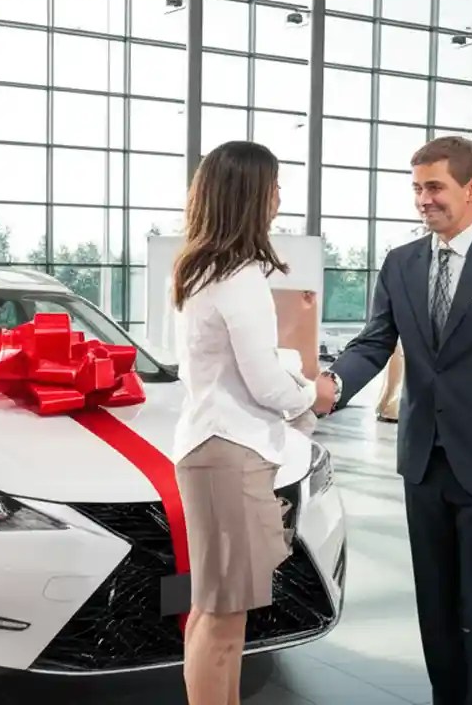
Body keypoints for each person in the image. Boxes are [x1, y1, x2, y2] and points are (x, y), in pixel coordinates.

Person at [316, 136, 472, 705]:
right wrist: (332, 386)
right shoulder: (401, 263)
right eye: (416, 189)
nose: (422, 200)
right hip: (424, 463)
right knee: (435, 606)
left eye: (434, 187)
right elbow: (375, 341)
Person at [170, 141, 318, 705]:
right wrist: (312, 388)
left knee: (215, 613)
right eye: (274, 185)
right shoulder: (237, 277)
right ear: (251, 193)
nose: (280, 196)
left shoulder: (205, 270)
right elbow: (266, 384)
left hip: (216, 448)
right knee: (224, 620)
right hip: (230, 453)